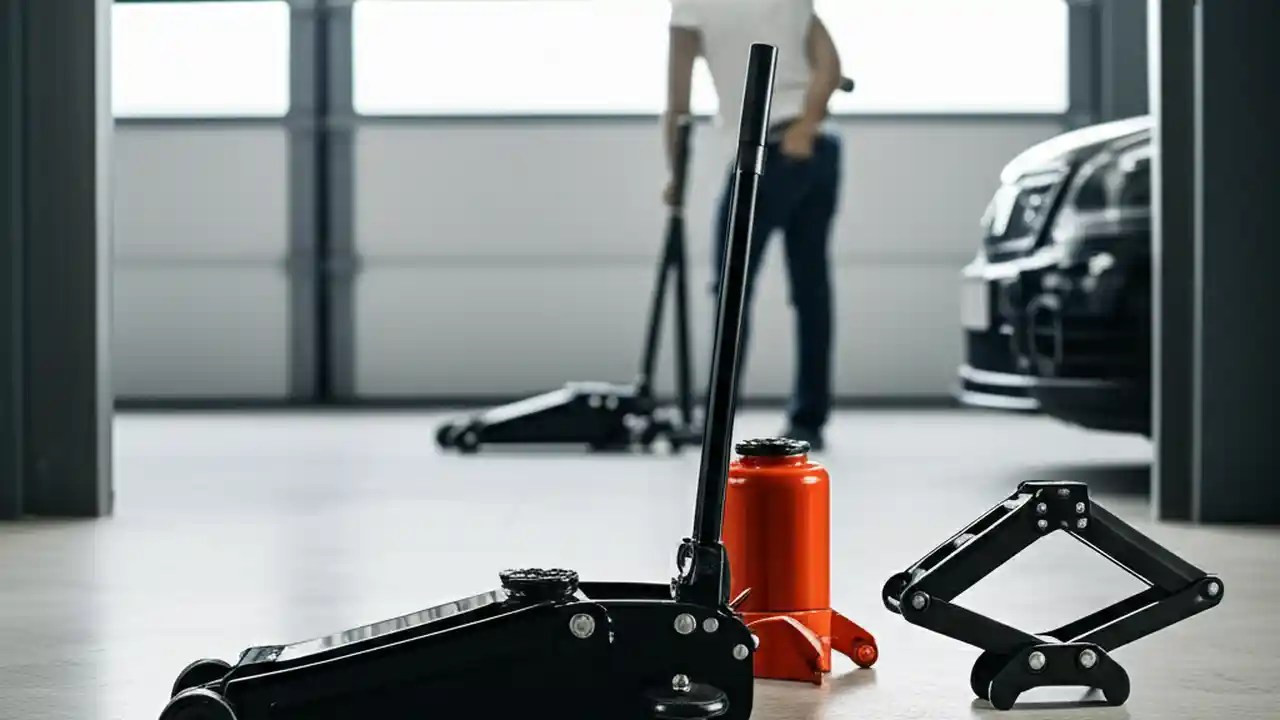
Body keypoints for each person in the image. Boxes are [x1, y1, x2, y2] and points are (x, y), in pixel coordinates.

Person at [665, 0, 844, 450]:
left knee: (733, 290)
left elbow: (677, 106)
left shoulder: (691, 7)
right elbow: (830, 68)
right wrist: (808, 124)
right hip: (818, 147)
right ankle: (807, 421)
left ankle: (717, 423)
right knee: (810, 290)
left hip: (768, 148)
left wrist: (676, 178)